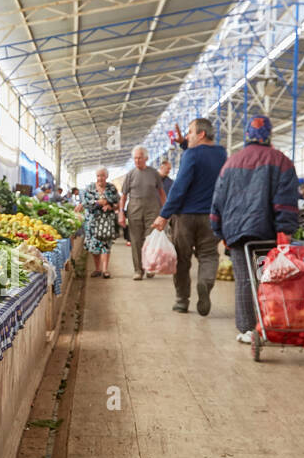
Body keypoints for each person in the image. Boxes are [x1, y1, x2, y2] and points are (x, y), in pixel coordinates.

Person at [209, 115, 299, 344]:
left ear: (247, 135)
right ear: (269, 135)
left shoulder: (231, 163)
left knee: (244, 280)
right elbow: (285, 201)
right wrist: (285, 230)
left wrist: (219, 230)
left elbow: (218, 200)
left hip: (237, 234)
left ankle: (248, 329)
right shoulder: (281, 161)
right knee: (264, 277)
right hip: (266, 234)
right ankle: (268, 323)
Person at [151, 117, 225, 316]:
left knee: (182, 259)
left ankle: (182, 301)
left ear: (201, 134)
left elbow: (179, 187)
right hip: (211, 217)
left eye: (190, 132)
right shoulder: (221, 154)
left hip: (185, 218)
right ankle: (205, 283)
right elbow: (204, 160)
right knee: (209, 255)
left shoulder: (191, 155)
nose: (188, 135)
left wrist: (164, 214)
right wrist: (184, 143)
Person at [118, 146, 169, 280]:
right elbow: (123, 196)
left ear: (146, 158)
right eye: (135, 158)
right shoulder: (130, 174)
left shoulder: (154, 174)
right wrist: (121, 214)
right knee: (135, 241)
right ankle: (138, 270)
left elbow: (162, 194)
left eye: (140, 157)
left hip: (152, 208)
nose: (137, 160)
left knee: (150, 238)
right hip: (134, 208)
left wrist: (166, 211)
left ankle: (150, 267)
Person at [83, 168, 120, 279]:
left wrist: (110, 206)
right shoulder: (90, 188)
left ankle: (105, 270)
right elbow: (85, 203)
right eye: (98, 175)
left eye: (103, 175)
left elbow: (118, 203)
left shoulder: (111, 188)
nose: (100, 178)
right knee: (94, 245)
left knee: (106, 244)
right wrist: (98, 202)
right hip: (92, 221)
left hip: (107, 221)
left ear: (107, 176)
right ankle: (97, 269)